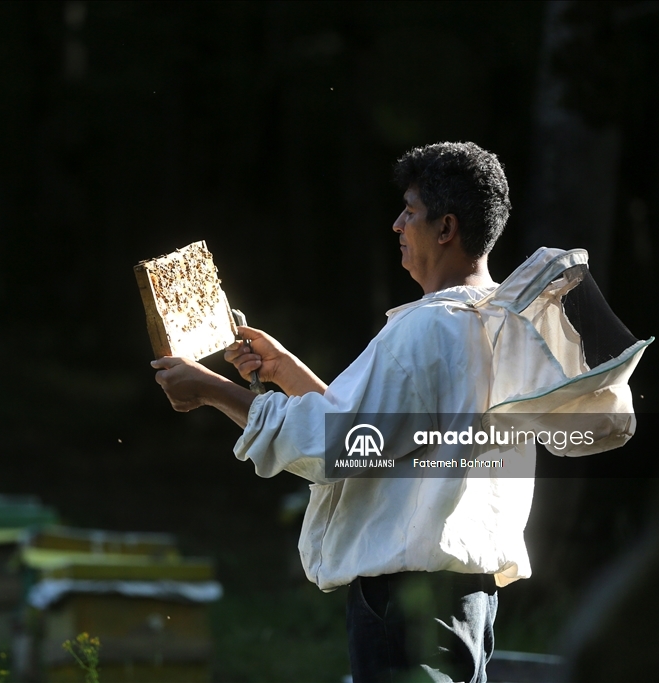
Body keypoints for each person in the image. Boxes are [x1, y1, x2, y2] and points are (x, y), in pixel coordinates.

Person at [151, 141, 528, 683]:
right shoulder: (504, 325)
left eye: (410, 212)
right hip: (469, 598)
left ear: (445, 229)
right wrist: (283, 370)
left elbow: (339, 448)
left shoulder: (425, 330)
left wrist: (212, 390)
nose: (398, 224)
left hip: (408, 601)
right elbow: (380, 434)